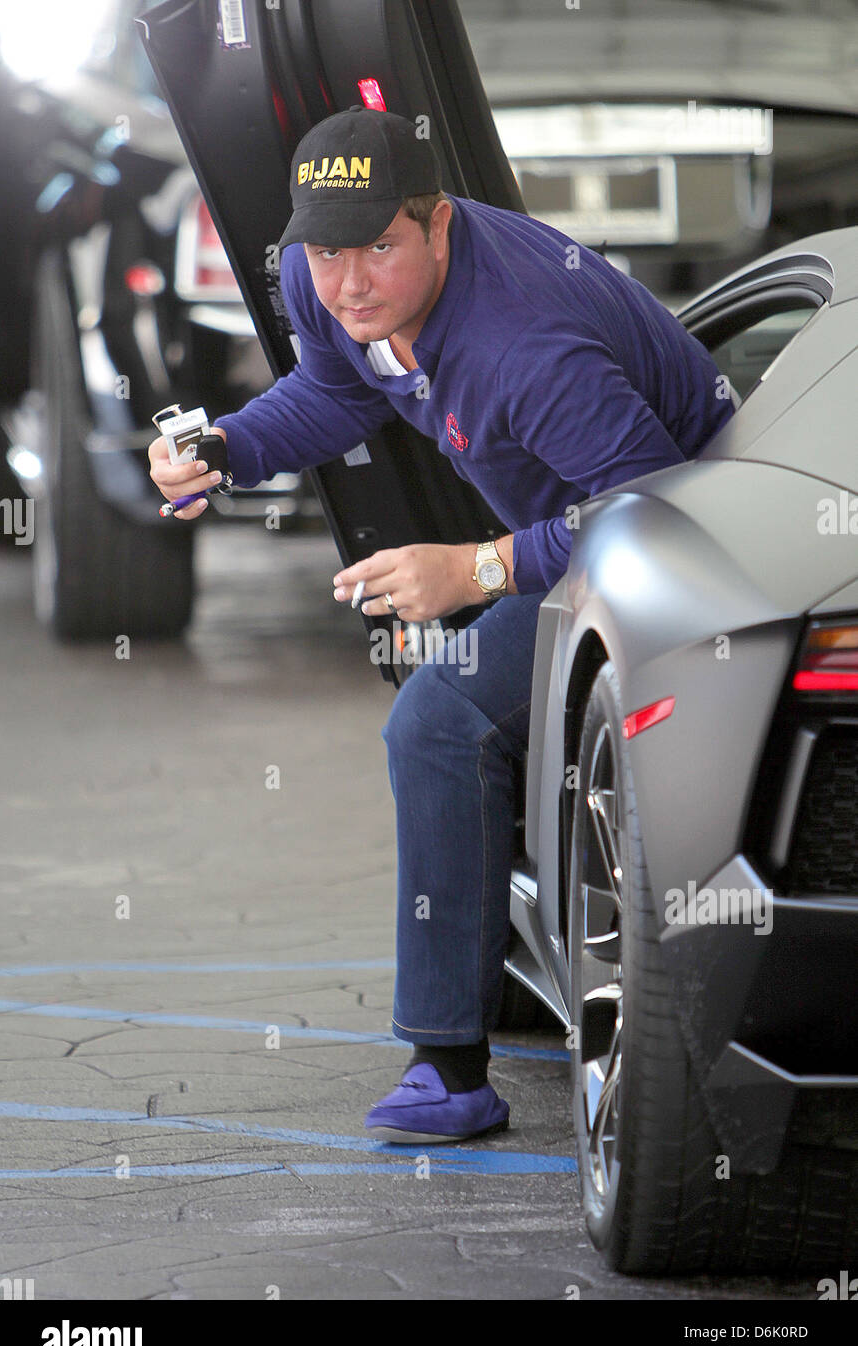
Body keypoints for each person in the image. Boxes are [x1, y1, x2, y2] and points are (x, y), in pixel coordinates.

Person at [148, 105, 734, 1144]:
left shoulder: (524, 347)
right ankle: (497, 976)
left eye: (380, 247)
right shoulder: (318, 279)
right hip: (585, 527)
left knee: (439, 718)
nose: (350, 283)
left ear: (441, 225)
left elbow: (657, 510)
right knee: (458, 713)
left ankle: (449, 1070)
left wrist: (478, 567)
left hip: (703, 557)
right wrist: (225, 450)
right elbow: (336, 391)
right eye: (329, 252)